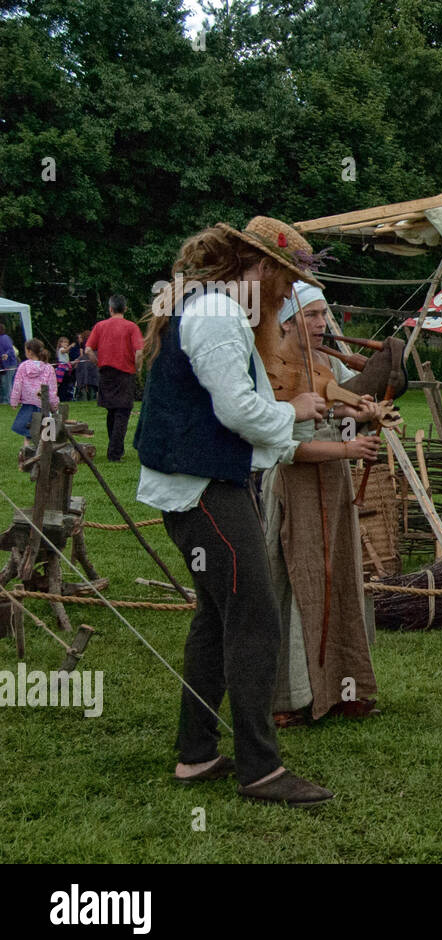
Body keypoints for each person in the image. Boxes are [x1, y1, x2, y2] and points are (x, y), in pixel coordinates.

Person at [134, 215, 333, 806]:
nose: (289, 293)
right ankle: (261, 770)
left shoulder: (211, 304)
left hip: (197, 485)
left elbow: (241, 418)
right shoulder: (219, 314)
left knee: (217, 619)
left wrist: (284, 429)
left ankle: (196, 755)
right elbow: (239, 412)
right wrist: (296, 409)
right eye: (288, 278)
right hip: (204, 492)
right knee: (255, 619)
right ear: (264, 268)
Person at [263, 282, 385, 727]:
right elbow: (285, 448)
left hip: (333, 488)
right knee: (297, 583)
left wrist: (362, 413)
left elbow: (336, 416)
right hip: (295, 488)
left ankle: (343, 687)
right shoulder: (273, 369)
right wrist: (347, 452)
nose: (321, 324)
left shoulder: (329, 364)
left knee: (341, 581)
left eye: (322, 315)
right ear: (288, 321)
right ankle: (290, 697)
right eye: (312, 316)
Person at [86, 295, 144, 461]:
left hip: (106, 372)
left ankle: (114, 446)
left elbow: (89, 349)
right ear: (125, 309)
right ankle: (115, 452)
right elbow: (139, 351)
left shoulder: (100, 326)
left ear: (110, 309)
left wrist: (98, 363)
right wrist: (138, 367)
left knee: (111, 410)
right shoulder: (131, 327)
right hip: (125, 372)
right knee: (123, 411)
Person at [9, 338, 58, 457]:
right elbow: (52, 388)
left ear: (29, 352)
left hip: (28, 404)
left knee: (28, 429)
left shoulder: (23, 366)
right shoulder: (48, 367)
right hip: (43, 404)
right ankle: (45, 451)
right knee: (44, 428)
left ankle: (26, 451)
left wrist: (14, 401)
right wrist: (54, 404)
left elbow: (17, 385)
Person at [73, 330, 99, 400]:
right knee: (94, 385)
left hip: (85, 363)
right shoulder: (95, 343)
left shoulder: (83, 344)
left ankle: (84, 397)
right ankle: (93, 398)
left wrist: (77, 361)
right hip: (92, 365)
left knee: (85, 384)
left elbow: (83, 353)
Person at [0, 322, 18, 403]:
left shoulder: (4, 338)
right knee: (4, 383)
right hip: (4, 365)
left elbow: (10, 349)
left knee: (7, 383)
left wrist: (6, 355)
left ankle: (7, 401)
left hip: (9, 364)